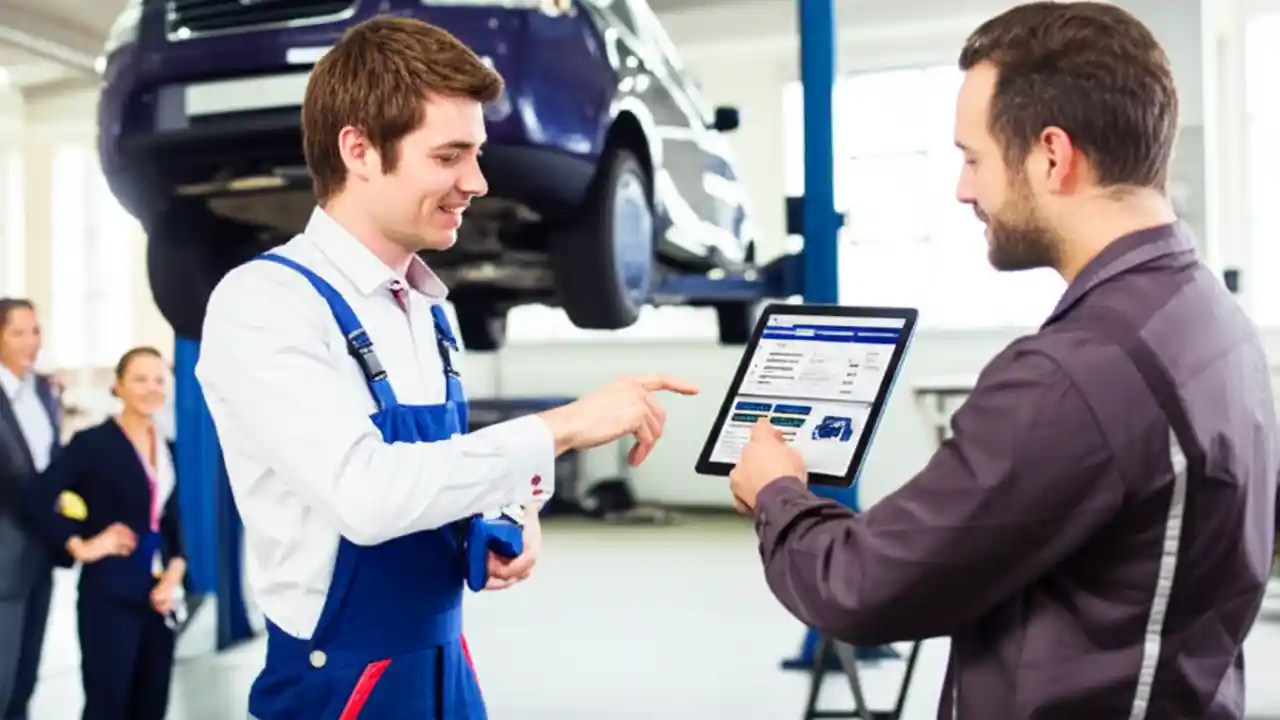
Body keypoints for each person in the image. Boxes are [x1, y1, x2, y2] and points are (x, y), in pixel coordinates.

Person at [729, 3, 1280, 719]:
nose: (963, 189)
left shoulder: (1077, 373)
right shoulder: (1210, 315)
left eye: (973, 159)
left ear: (1052, 155)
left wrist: (777, 494)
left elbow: (860, 587)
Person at [194, 16, 696, 720]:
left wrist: (504, 515)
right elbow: (366, 494)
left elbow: (442, 469)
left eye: (476, 154)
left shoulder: (431, 311)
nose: (477, 182)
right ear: (359, 150)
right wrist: (563, 427)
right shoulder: (266, 303)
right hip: (338, 689)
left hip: (445, 671)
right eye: (449, 156)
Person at [23, 347, 185, 720]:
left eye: (159, 380)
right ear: (119, 385)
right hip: (110, 598)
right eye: (140, 379)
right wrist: (81, 545)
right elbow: (38, 497)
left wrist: (174, 574)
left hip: (159, 600)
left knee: (151, 707)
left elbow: (172, 522)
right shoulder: (93, 444)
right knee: (107, 707)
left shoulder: (167, 447)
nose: (151, 388)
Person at [0, 298, 61, 720]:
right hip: (4, 559)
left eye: (34, 331)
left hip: (41, 552)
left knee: (24, 680)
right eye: (18, 333)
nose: (30, 342)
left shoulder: (43, 391)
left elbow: (52, 468)